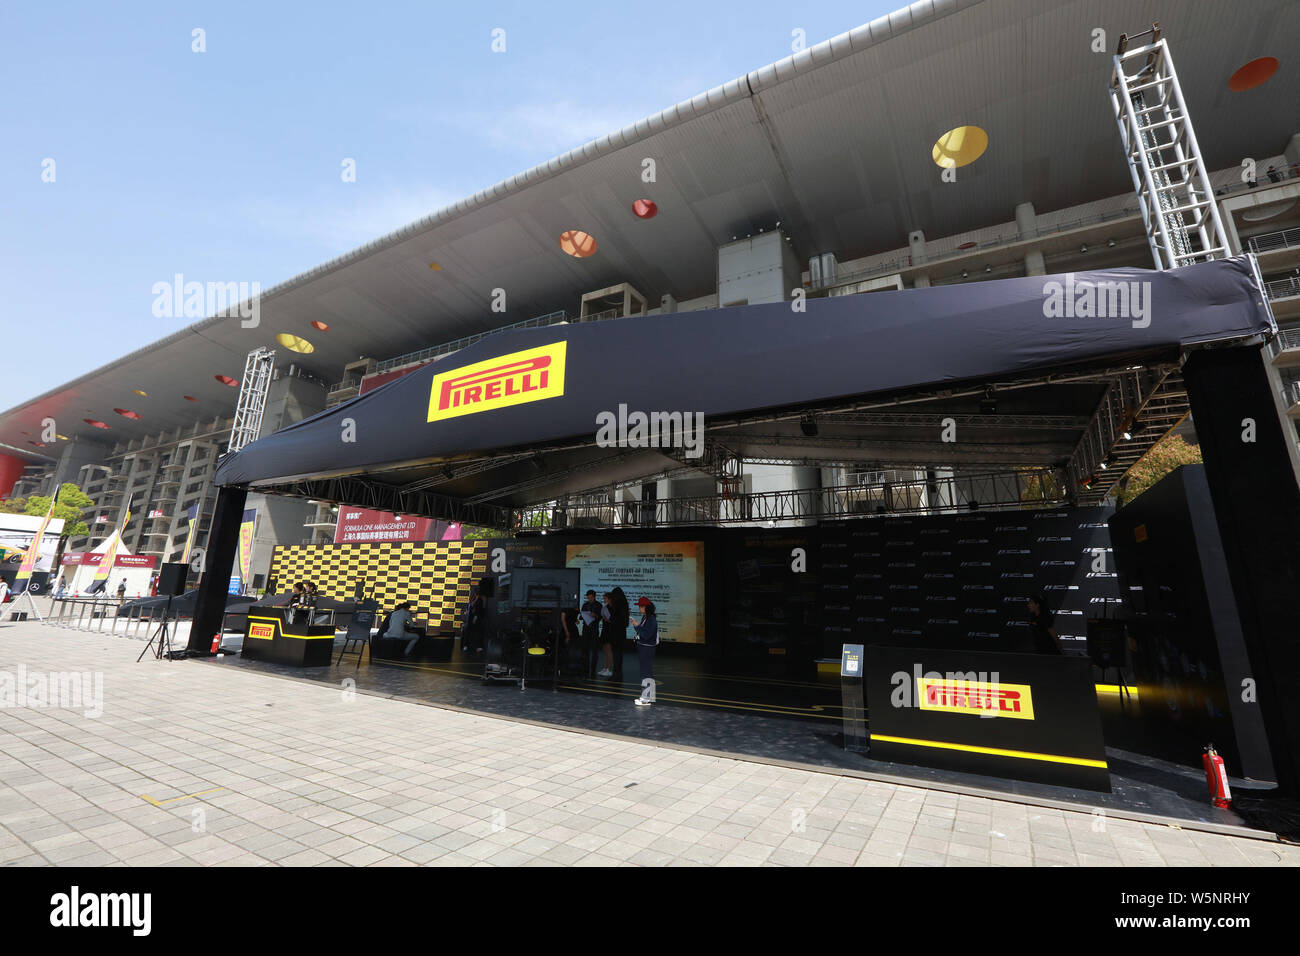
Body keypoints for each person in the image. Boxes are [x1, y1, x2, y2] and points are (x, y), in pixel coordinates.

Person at [632, 597, 659, 706]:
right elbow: (642, 632)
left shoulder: (651, 619)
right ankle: (648, 697)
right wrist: (637, 627)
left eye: (641, 606)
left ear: (646, 607)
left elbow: (647, 635)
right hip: (644, 647)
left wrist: (637, 626)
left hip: (647, 648)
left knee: (646, 672)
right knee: (646, 672)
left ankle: (646, 697)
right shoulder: (646, 617)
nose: (639, 608)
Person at [460, 586, 485, 653]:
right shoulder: (473, 599)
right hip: (470, 619)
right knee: (468, 632)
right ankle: (466, 646)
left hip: (476, 619)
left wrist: (475, 618)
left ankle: (478, 647)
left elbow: (479, 610)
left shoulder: (480, 600)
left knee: (477, 633)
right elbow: (469, 608)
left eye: (476, 592)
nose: (475, 593)